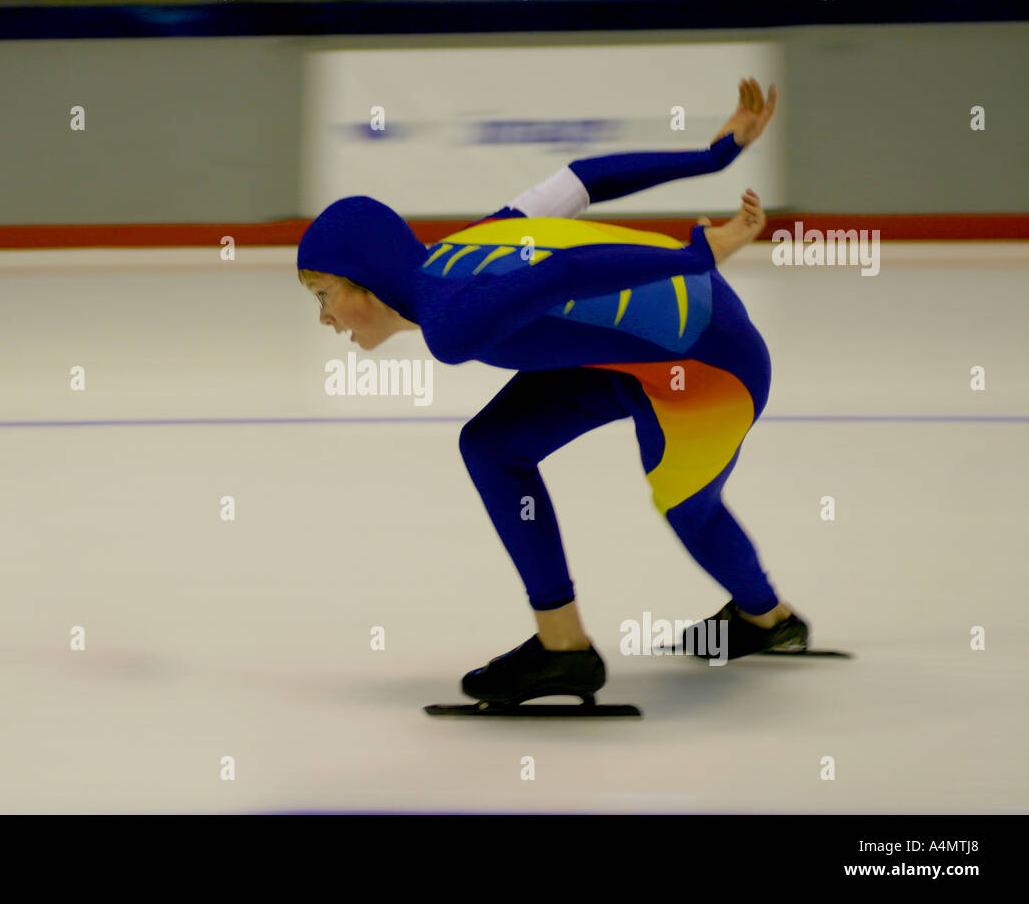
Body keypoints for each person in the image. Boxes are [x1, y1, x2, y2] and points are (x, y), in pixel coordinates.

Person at [297, 79, 807, 704]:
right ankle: (562, 647)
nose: (325, 319)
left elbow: (565, 269)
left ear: (363, 282)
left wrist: (697, 252)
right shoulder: (466, 245)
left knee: (686, 506)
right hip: (638, 352)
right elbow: (583, 179)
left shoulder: (453, 322)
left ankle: (770, 621)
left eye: (323, 296)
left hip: (711, 362)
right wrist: (710, 159)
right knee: (492, 445)